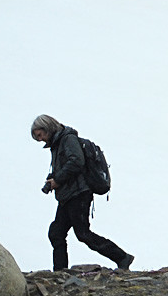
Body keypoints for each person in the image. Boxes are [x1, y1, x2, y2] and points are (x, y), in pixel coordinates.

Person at [31, 114, 134, 272]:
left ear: (47, 128)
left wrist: (57, 179)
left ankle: (122, 257)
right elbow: (68, 165)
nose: (41, 139)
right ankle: (60, 272)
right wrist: (53, 178)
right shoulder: (58, 143)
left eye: (40, 135)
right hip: (68, 195)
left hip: (79, 194)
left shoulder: (68, 139)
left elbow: (77, 161)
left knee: (83, 234)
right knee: (56, 232)